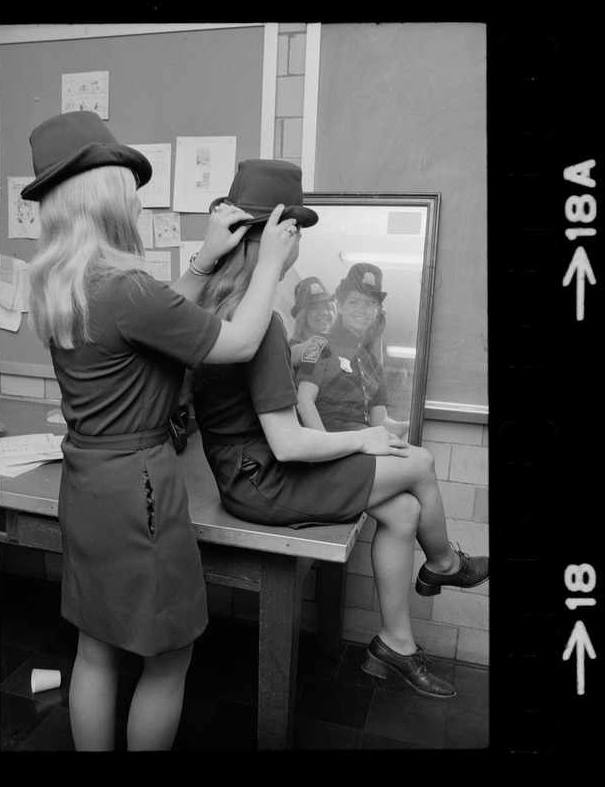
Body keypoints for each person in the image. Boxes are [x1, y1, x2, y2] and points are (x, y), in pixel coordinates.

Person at [23, 113, 299, 750]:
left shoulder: (64, 284)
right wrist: (268, 267)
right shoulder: (127, 288)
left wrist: (202, 261)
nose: (138, 203)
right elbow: (240, 340)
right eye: (130, 190)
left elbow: (151, 322)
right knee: (168, 659)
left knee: (96, 649)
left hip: (88, 485)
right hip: (139, 494)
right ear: (109, 199)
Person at [191, 159, 488, 698]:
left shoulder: (216, 302)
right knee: (418, 462)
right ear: (283, 235)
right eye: (297, 230)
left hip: (246, 471)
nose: (299, 243)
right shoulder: (262, 322)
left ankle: (393, 645)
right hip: (264, 480)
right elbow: (286, 439)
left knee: (402, 510)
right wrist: (363, 439)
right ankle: (445, 563)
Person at [296, 263, 409, 440]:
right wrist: (325, 446)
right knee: (422, 461)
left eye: (371, 304)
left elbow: (380, 420)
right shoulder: (321, 344)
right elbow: (304, 400)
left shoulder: (372, 364)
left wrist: (406, 426)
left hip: (364, 440)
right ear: (340, 307)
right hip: (335, 439)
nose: (363, 310)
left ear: (377, 311)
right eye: (354, 302)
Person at [287, 276, 336, 368]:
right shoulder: (289, 347)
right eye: (316, 308)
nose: (324, 312)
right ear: (303, 315)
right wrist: (318, 342)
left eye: (328, 307)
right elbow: (289, 357)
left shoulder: (338, 349)